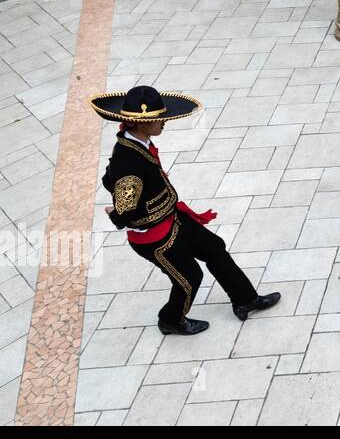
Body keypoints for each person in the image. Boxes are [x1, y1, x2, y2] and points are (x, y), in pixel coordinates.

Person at [91, 85, 281, 335]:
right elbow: (126, 211)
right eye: (158, 119)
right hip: (154, 237)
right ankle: (171, 320)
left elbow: (108, 179)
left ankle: (245, 299)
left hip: (173, 218)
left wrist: (150, 182)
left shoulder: (137, 143)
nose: (164, 123)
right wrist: (117, 210)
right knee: (189, 278)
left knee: (214, 247)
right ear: (137, 123)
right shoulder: (128, 159)